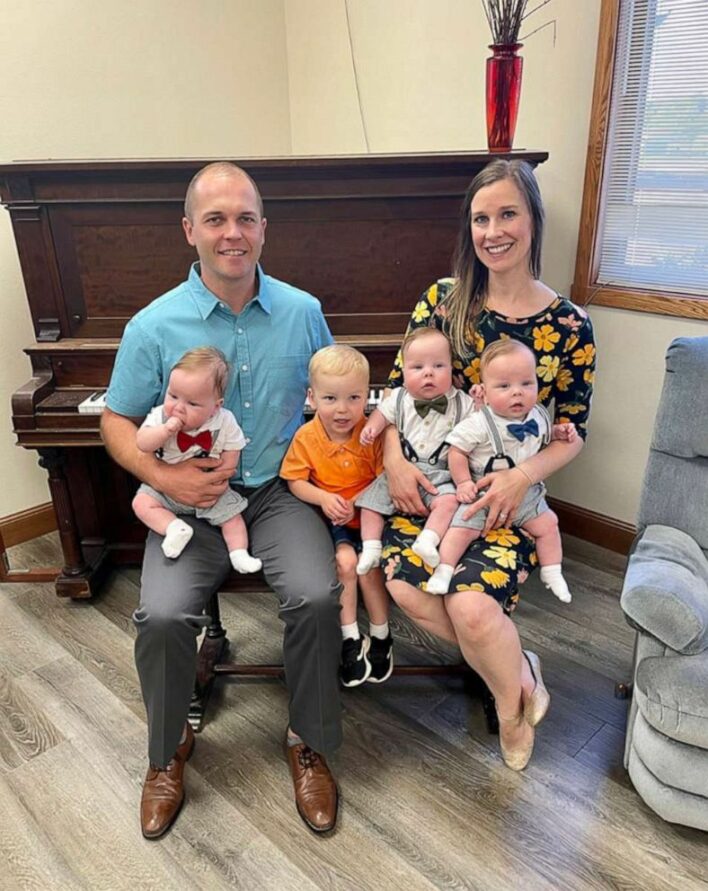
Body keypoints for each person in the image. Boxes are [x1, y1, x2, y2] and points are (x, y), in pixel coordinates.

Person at [101, 161, 342, 838]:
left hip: (277, 492)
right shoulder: (153, 325)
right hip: (186, 502)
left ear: (264, 229)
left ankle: (309, 739)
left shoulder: (303, 311)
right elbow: (116, 422)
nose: (231, 232)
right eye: (215, 219)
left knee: (319, 596)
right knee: (162, 614)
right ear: (189, 230)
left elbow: (332, 404)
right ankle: (167, 751)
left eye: (244, 218)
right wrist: (170, 481)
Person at [381, 159, 595, 771]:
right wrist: (394, 461)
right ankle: (521, 669)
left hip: (508, 501)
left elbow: (571, 432)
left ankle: (508, 704)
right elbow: (396, 396)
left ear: (533, 221)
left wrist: (523, 475)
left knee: (472, 610)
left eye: (508, 214)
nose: (493, 230)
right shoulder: (442, 302)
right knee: (406, 587)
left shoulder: (570, 325)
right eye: (480, 218)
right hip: (433, 493)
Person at [427, 339, 577, 599]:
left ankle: (552, 571)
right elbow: (456, 451)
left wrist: (558, 432)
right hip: (482, 492)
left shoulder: (539, 415)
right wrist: (463, 483)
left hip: (526, 493)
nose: (517, 392)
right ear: (484, 391)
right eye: (505, 386)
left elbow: (543, 437)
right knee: (461, 528)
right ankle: (444, 568)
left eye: (526, 384)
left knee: (550, 524)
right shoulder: (479, 423)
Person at [280, 344, 394, 687]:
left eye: (354, 398)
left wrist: (361, 499)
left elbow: (385, 479)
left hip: (373, 518)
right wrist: (324, 498)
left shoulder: (370, 435)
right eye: (330, 399)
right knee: (345, 563)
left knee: (368, 565)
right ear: (312, 398)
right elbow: (295, 481)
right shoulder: (307, 436)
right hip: (338, 521)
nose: (343, 410)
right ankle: (349, 639)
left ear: (367, 398)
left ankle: (382, 635)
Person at [133, 346, 261, 574]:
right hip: (165, 491)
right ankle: (174, 528)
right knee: (141, 504)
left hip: (211, 491)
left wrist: (225, 471)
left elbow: (234, 446)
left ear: (216, 407)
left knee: (233, 519)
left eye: (192, 404)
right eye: (173, 396)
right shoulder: (160, 415)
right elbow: (143, 443)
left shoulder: (224, 420)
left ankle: (239, 553)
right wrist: (164, 431)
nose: (178, 408)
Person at [356, 327, 474, 574]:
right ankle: (371, 548)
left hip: (441, 475)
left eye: (438, 366)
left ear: (452, 369)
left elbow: (481, 423)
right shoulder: (399, 398)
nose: (428, 373)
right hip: (401, 469)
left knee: (449, 502)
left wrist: (481, 400)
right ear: (404, 371)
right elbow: (381, 414)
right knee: (369, 505)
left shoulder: (462, 402)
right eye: (417, 368)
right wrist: (372, 428)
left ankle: (428, 540)